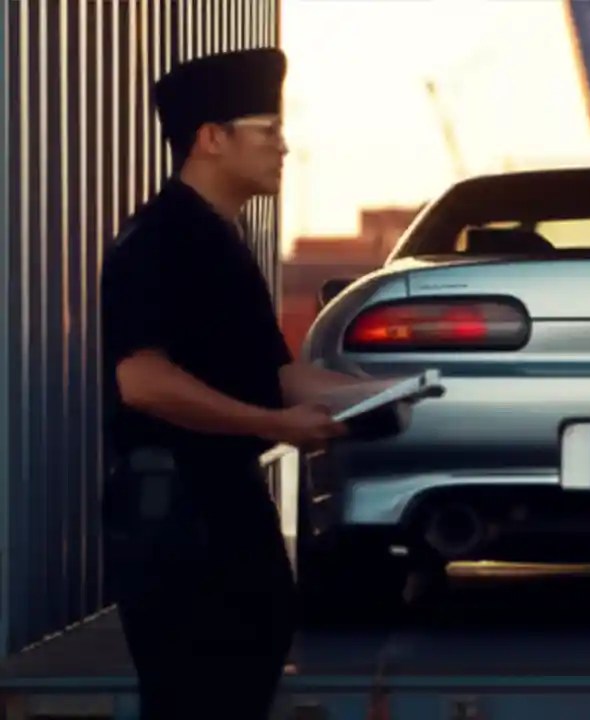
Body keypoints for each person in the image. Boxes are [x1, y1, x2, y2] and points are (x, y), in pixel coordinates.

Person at [99, 47, 366, 719]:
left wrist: (382, 392)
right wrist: (276, 428)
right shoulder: (159, 238)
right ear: (211, 139)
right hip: (177, 523)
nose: (284, 147)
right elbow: (142, 380)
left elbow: (273, 375)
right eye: (268, 130)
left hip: (223, 514)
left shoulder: (224, 240)